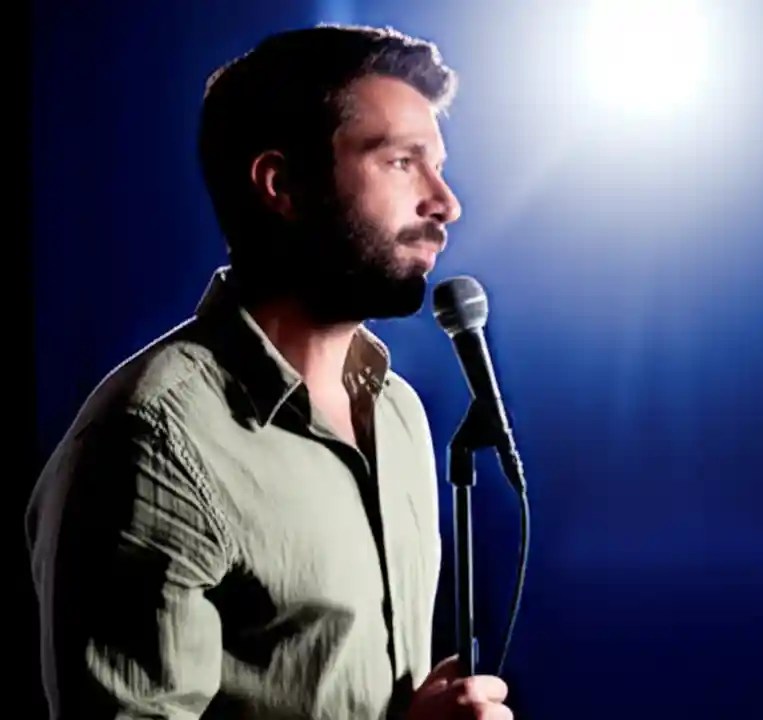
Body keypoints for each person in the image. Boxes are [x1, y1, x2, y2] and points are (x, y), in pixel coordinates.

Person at [25, 23, 513, 720]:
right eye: (401, 162)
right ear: (281, 185)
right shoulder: (151, 441)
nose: (445, 202)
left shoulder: (398, 412)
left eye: (436, 164)